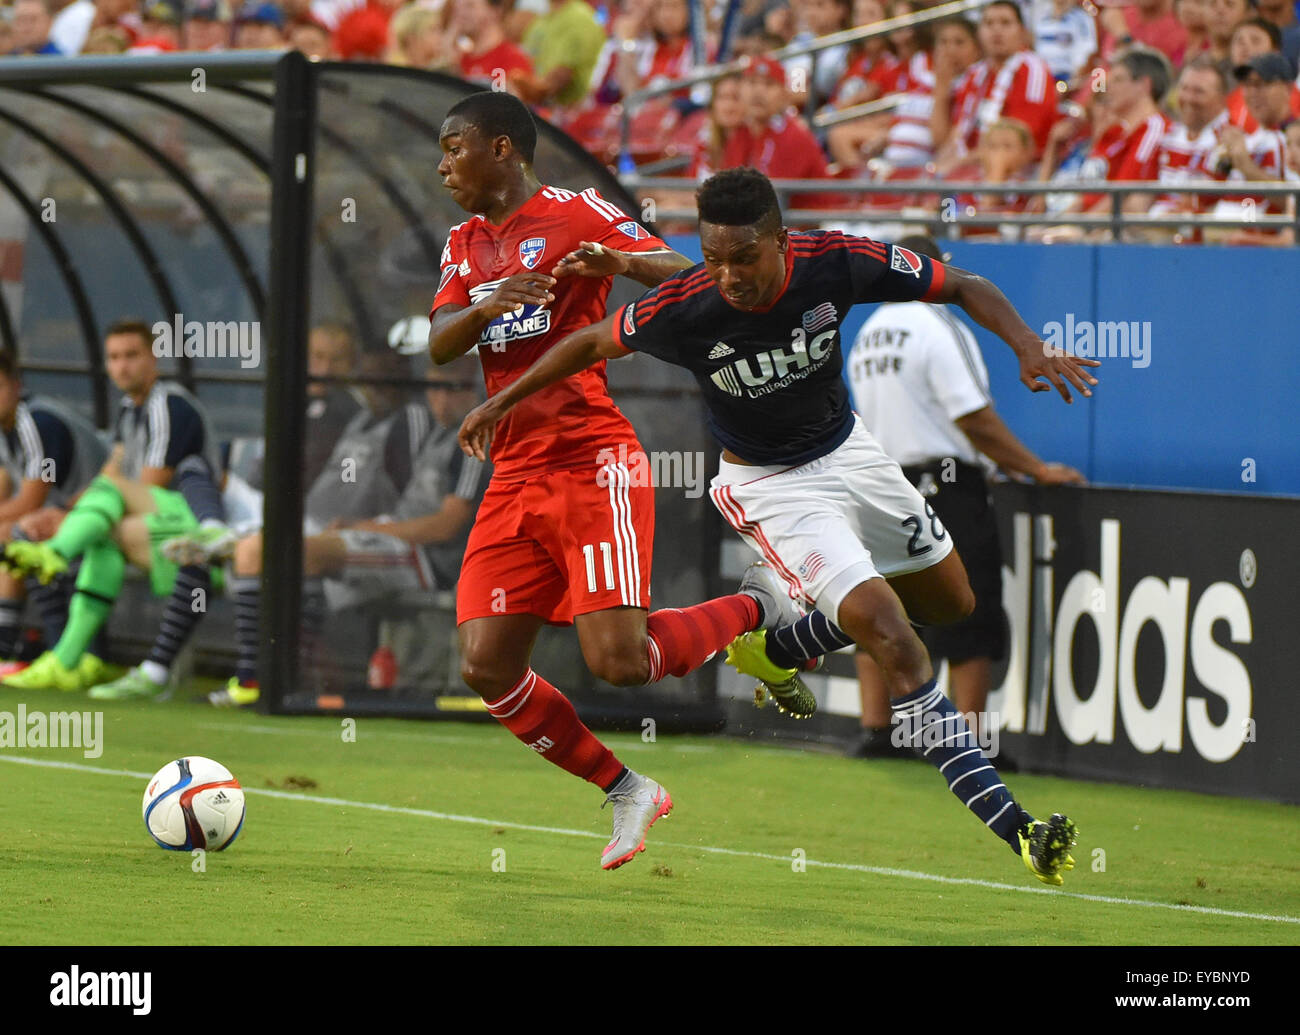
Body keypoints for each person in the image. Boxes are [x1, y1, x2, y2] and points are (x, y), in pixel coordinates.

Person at [458, 167, 1100, 886]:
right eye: (713, 259)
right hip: (770, 487)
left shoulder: (836, 261)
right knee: (893, 634)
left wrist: (1027, 345)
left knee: (952, 603)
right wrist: (499, 402)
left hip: (852, 452)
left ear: (780, 241)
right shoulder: (687, 306)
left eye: (743, 258)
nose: (728, 276)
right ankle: (1018, 828)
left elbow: (965, 285)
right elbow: (585, 343)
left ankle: (780, 643)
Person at [429, 92, 799, 872]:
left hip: (592, 462)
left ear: (502, 148)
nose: (442, 164)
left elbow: (691, 273)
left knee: (620, 662)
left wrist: (622, 262)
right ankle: (627, 786)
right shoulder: (464, 242)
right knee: (485, 664)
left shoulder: (577, 212)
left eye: (453, 146)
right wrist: (488, 302)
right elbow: (438, 343)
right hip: (513, 472)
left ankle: (760, 601)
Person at [844, 233, 1084, 761]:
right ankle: (967, 740)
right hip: (947, 485)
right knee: (971, 607)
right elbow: (970, 415)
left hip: (882, 481)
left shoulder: (868, 335)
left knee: (881, 604)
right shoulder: (936, 325)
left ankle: (877, 730)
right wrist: (1034, 468)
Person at [167, 354, 489, 707]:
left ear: (474, 391)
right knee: (267, 554)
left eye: (453, 391)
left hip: (428, 561)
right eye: (434, 390)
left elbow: (447, 526)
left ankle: (262, 677)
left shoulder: (475, 441)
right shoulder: (436, 434)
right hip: (389, 541)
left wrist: (369, 526)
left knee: (270, 552)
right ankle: (283, 676)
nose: (441, 400)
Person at [2, 318, 228, 698]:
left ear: (154, 358)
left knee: (75, 524)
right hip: (143, 527)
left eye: (132, 356)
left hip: (193, 527)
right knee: (83, 532)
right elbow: (109, 480)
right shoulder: (129, 409)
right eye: (114, 357)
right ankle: (71, 658)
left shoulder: (168, 406)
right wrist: (68, 515)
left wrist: (68, 518)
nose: (122, 366)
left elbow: (141, 490)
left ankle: (56, 565)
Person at [0, 349, 107, 673]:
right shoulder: (5, 430)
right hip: (63, 518)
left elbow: (31, 501)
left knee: (17, 535)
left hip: (99, 517)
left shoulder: (36, 421)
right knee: (14, 532)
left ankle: (17, 650)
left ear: (16, 386)